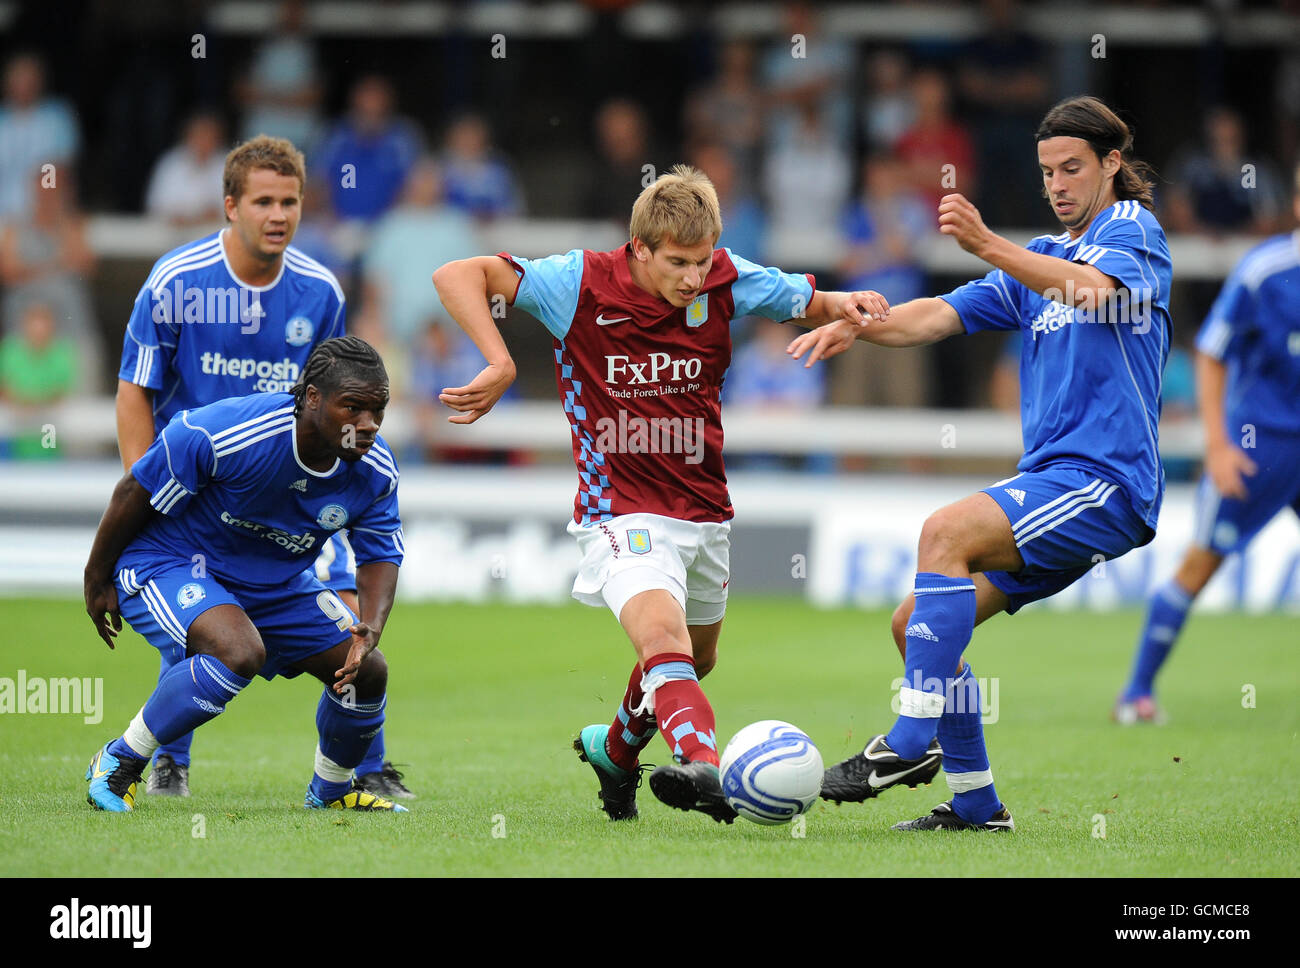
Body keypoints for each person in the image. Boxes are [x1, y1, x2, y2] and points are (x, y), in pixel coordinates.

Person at [432, 165, 888, 822]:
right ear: (639, 249)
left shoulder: (727, 278)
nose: (692, 279)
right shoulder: (579, 281)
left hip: (702, 509)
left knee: (695, 660)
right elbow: (458, 274)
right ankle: (701, 764)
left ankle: (615, 753)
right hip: (618, 510)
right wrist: (500, 360)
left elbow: (808, 300)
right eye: (677, 263)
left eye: (701, 262)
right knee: (661, 638)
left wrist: (847, 304)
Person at [788, 95, 1171, 832]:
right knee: (916, 629)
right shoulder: (1042, 256)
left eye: (1072, 168)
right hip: (1053, 481)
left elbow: (1099, 296)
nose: (1057, 184)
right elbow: (936, 314)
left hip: (1105, 481)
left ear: (1111, 165)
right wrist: (858, 325)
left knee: (945, 532)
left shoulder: (1134, 232)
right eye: (1046, 172)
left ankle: (904, 743)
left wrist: (989, 244)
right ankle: (975, 804)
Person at [116, 134, 411, 800]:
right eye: (263, 201)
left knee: (343, 616)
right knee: (200, 628)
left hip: (298, 485)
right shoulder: (176, 280)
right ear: (230, 205)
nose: (278, 215)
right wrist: (141, 482)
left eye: (290, 201)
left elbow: (340, 388)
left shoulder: (318, 290)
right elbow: (136, 386)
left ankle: (366, 770)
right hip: (196, 487)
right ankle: (168, 760)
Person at [84, 337, 406, 813]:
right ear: (312, 398)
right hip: (170, 560)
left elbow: (379, 553)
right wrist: (97, 578)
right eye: (353, 408)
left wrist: (371, 628)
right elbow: (135, 490)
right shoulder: (228, 432)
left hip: (278, 585)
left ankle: (332, 790)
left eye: (377, 411)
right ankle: (120, 761)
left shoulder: (375, 470)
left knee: (367, 674)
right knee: (237, 651)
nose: (368, 426)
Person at [1115, 163, 1300, 724]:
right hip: (1261, 446)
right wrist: (1218, 445)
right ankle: (1136, 694)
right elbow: (1212, 351)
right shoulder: (1266, 272)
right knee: (1201, 563)